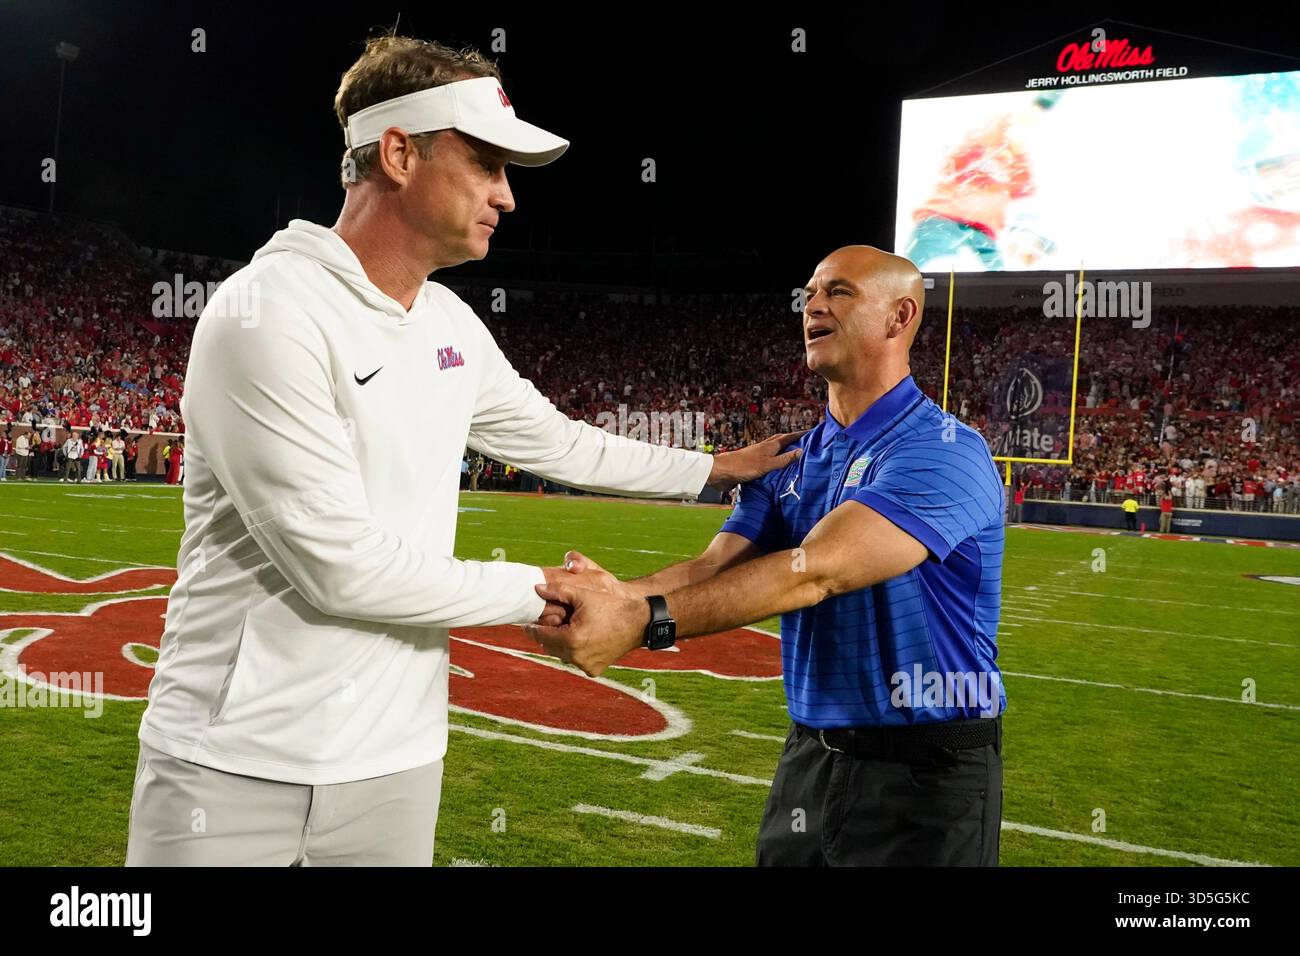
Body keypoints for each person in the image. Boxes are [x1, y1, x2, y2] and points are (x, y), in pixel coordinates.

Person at [127, 34, 799, 868]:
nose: (507, 197)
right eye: (486, 165)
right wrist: (541, 591)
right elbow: (339, 566)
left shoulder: (445, 321)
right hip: (233, 762)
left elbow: (557, 442)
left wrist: (713, 469)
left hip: (398, 758)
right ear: (400, 153)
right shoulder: (267, 312)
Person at [529, 246, 1006, 866]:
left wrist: (643, 621)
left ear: (899, 317)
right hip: (810, 755)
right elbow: (709, 568)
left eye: (839, 292)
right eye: (810, 292)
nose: (813, 304)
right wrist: (606, 595)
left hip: (926, 768)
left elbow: (817, 573)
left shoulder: (943, 451)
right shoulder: (791, 457)